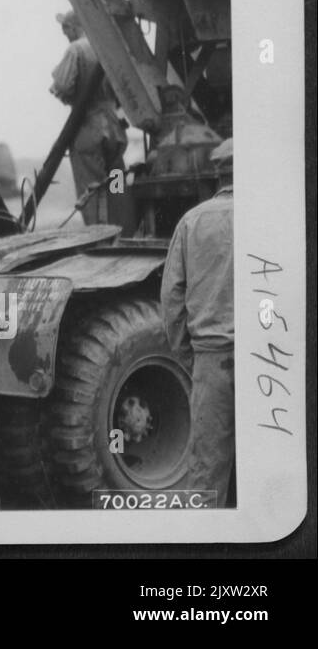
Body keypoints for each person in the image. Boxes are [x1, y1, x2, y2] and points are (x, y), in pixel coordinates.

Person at [160, 137, 234, 505]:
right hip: (270, 361)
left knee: (206, 474)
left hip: (211, 361)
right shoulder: (274, 217)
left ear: (216, 174)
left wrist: (191, 357)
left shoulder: (191, 221)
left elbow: (172, 301)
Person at [49, 10, 127, 223]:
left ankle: (98, 240)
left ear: (73, 27)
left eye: (65, 29)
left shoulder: (76, 49)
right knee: (116, 183)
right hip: (115, 131)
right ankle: (121, 231)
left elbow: (63, 86)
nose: (65, 34)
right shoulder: (108, 48)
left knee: (90, 188)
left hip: (88, 130)